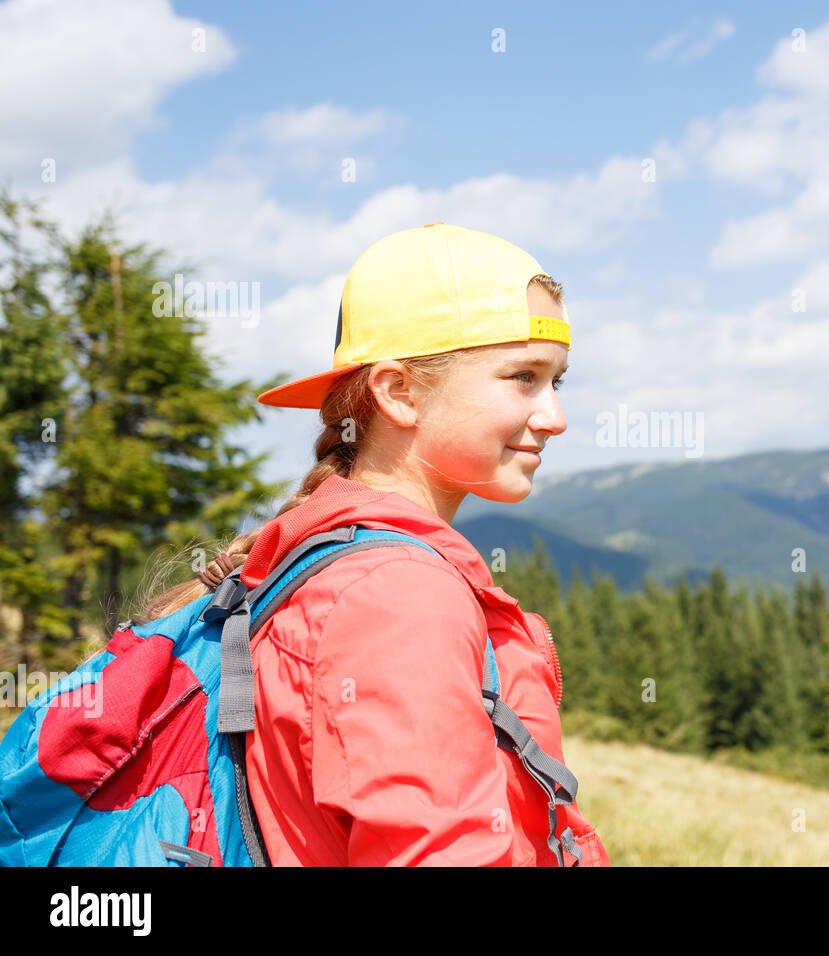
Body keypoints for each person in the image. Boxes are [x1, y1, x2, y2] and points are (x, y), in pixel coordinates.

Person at [130, 222, 611, 866]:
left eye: (558, 381)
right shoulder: (397, 595)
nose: (555, 416)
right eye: (522, 377)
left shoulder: (337, 559)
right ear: (398, 393)